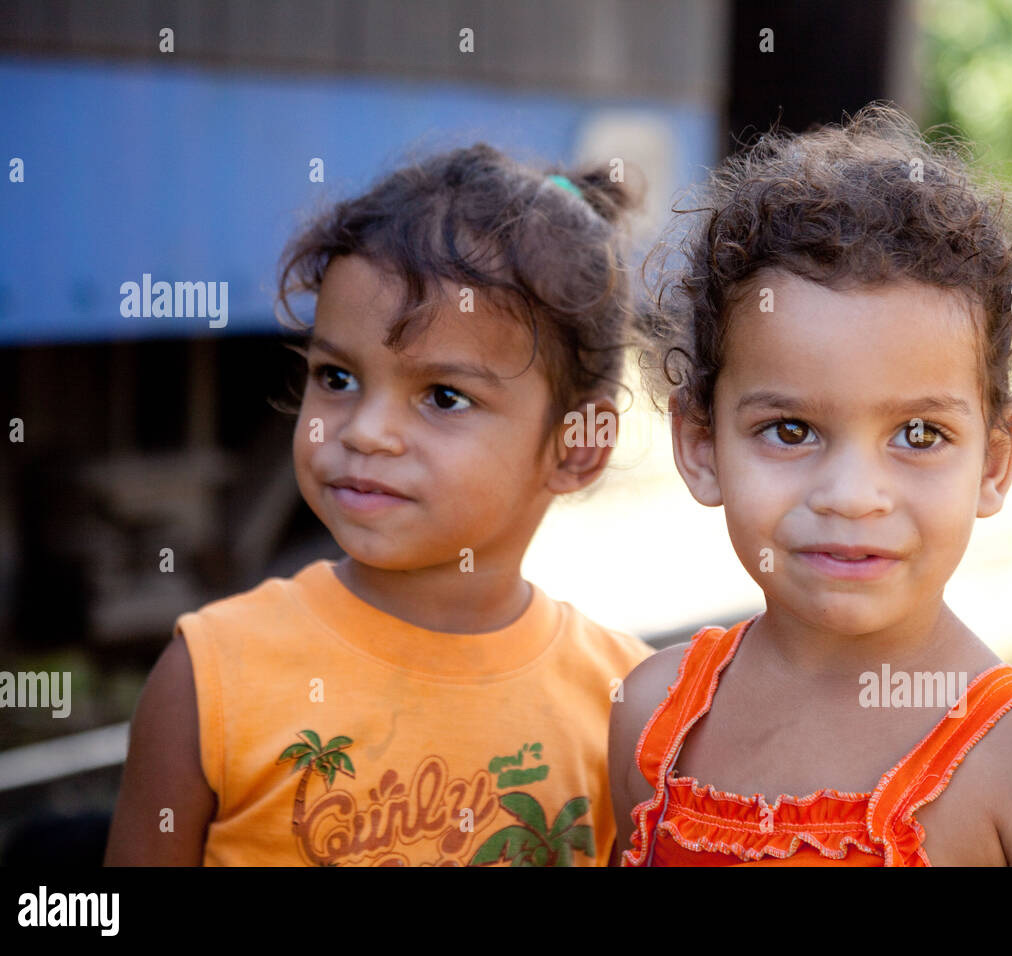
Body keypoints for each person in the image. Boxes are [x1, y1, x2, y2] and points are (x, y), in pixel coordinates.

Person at [609, 103, 1012, 866]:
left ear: (994, 463)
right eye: (790, 431)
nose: (854, 495)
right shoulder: (652, 717)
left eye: (919, 436)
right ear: (700, 445)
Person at [105, 144, 652, 866]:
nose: (364, 431)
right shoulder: (210, 675)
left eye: (444, 397)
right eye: (336, 376)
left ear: (578, 445)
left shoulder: (628, 709)